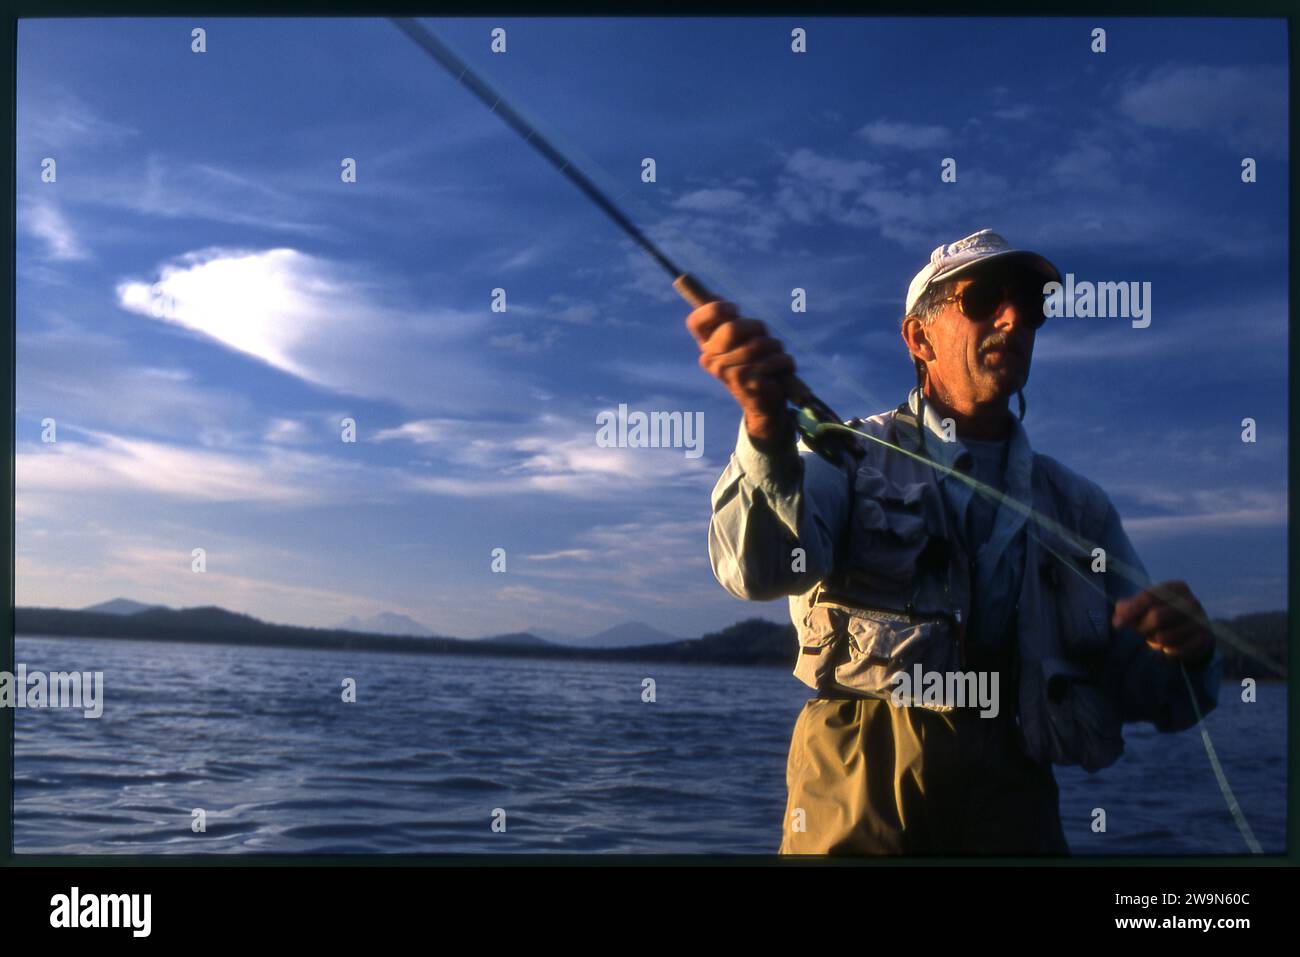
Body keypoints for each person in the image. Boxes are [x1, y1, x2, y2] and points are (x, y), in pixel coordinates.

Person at [686, 228, 1221, 855]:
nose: (1014, 317)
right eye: (985, 298)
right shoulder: (844, 457)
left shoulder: (1080, 508)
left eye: (1031, 304)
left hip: (1015, 819)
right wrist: (764, 431)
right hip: (856, 815)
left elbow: (1161, 698)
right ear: (919, 338)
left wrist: (1187, 652)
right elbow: (754, 571)